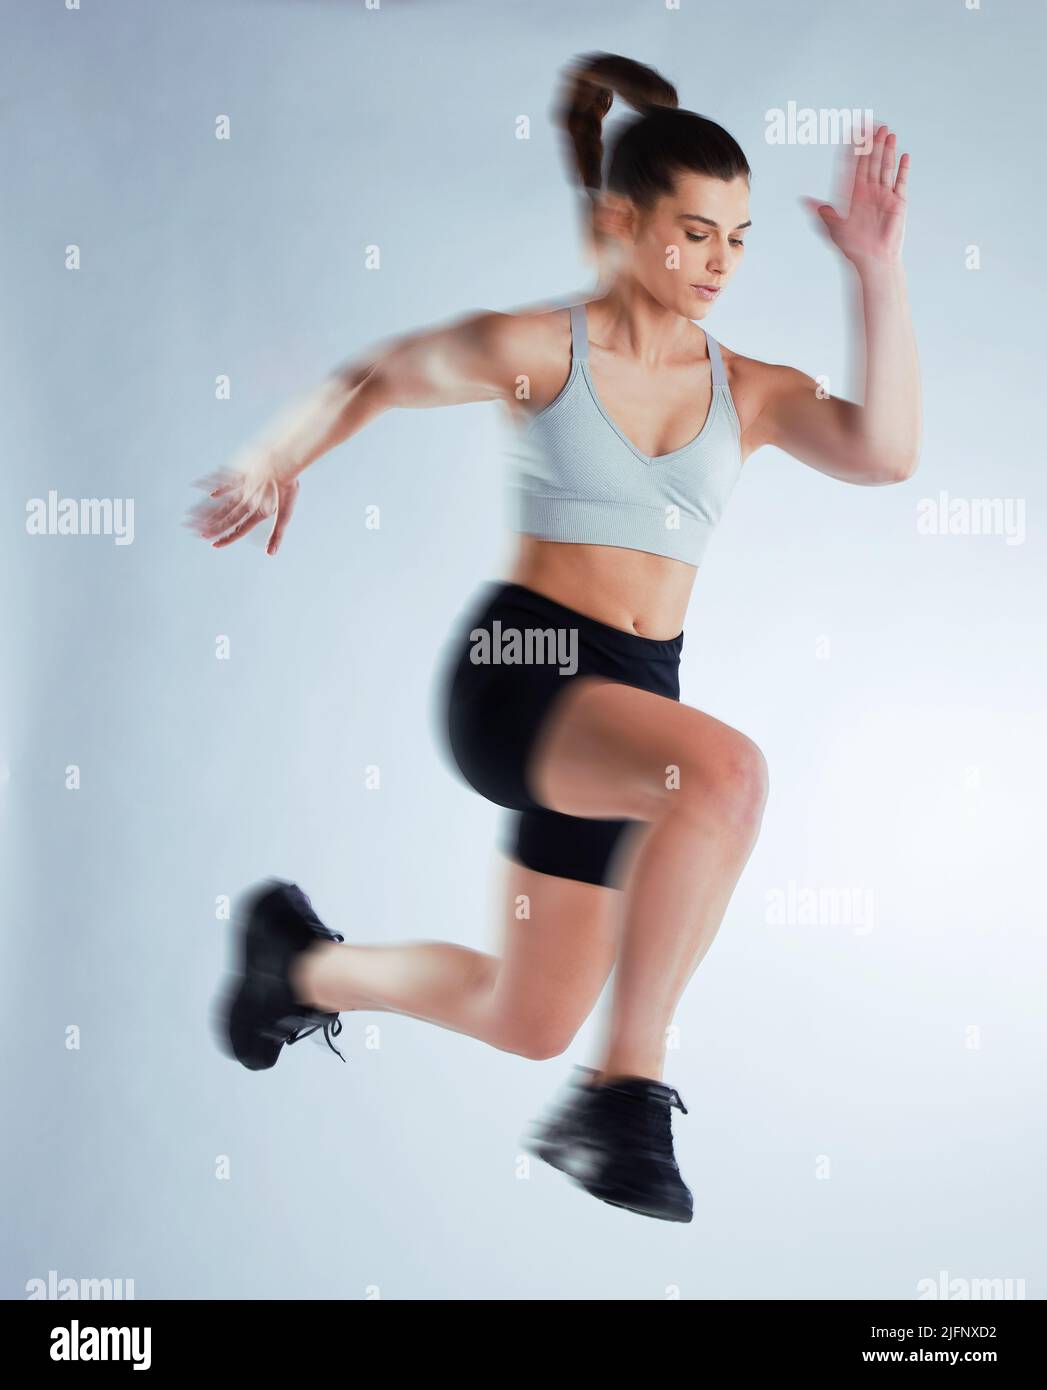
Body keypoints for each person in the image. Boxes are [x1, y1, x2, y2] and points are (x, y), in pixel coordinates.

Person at [192, 53, 919, 1223]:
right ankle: (625, 1092)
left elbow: (886, 452)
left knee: (531, 1020)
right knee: (723, 778)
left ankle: (299, 965)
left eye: (738, 236)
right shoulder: (546, 349)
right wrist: (273, 453)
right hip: (523, 671)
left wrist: (877, 271)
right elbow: (378, 374)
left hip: (628, 701)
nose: (722, 262)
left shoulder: (753, 389)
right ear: (626, 226)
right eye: (696, 232)